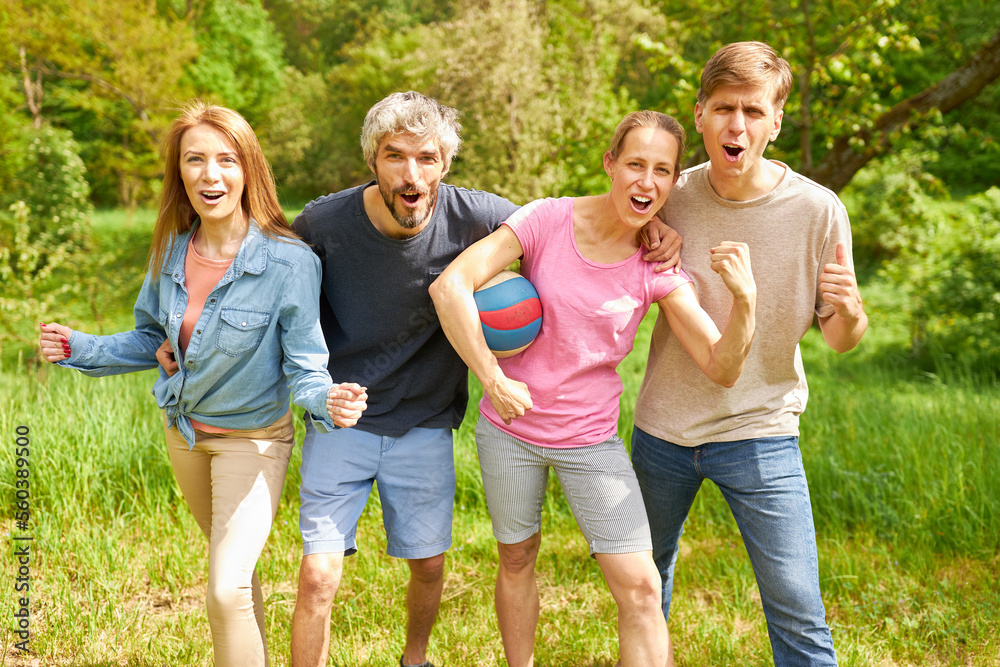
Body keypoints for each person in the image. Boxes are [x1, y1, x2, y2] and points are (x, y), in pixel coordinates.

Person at [288, 92, 682, 667]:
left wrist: (655, 227)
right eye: (394, 157)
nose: (411, 174)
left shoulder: (479, 215)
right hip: (343, 413)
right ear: (371, 161)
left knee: (428, 566)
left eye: (426, 158)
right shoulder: (324, 221)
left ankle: (414, 659)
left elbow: (575, 227)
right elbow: (277, 286)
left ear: (445, 164)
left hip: (425, 420)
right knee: (318, 576)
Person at [37, 101, 363, 667]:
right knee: (235, 579)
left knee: (223, 587)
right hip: (185, 435)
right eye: (195, 160)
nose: (210, 175)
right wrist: (80, 347)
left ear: (248, 170)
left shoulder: (289, 262)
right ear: (180, 172)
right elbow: (150, 338)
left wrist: (328, 400)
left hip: (253, 442)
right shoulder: (170, 250)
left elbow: (306, 364)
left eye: (225, 160)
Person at [429, 110, 757, 667]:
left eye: (661, 170)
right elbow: (450, 285)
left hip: (590, 441)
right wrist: (493, 377)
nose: (645, 182)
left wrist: (745, 303)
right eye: (634, 164)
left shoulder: (657, 264)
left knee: (641, 588)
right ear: (610, 164)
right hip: (508, 429)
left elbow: (720, 364)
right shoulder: (546, 220)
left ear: (673, 180)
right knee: (516, 558)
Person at [631, 42, 868, 667]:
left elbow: (841, 340)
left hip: (761, 428)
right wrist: (651, 229)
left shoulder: (819, 210)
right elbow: (600, 241)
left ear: (776, 121)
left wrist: (851, 311)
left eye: (755, 111)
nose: (738, 126)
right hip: (664, 429)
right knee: (643, 587)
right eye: (725, 109)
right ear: (701, 113)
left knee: (795, 602)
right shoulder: (665, 193)